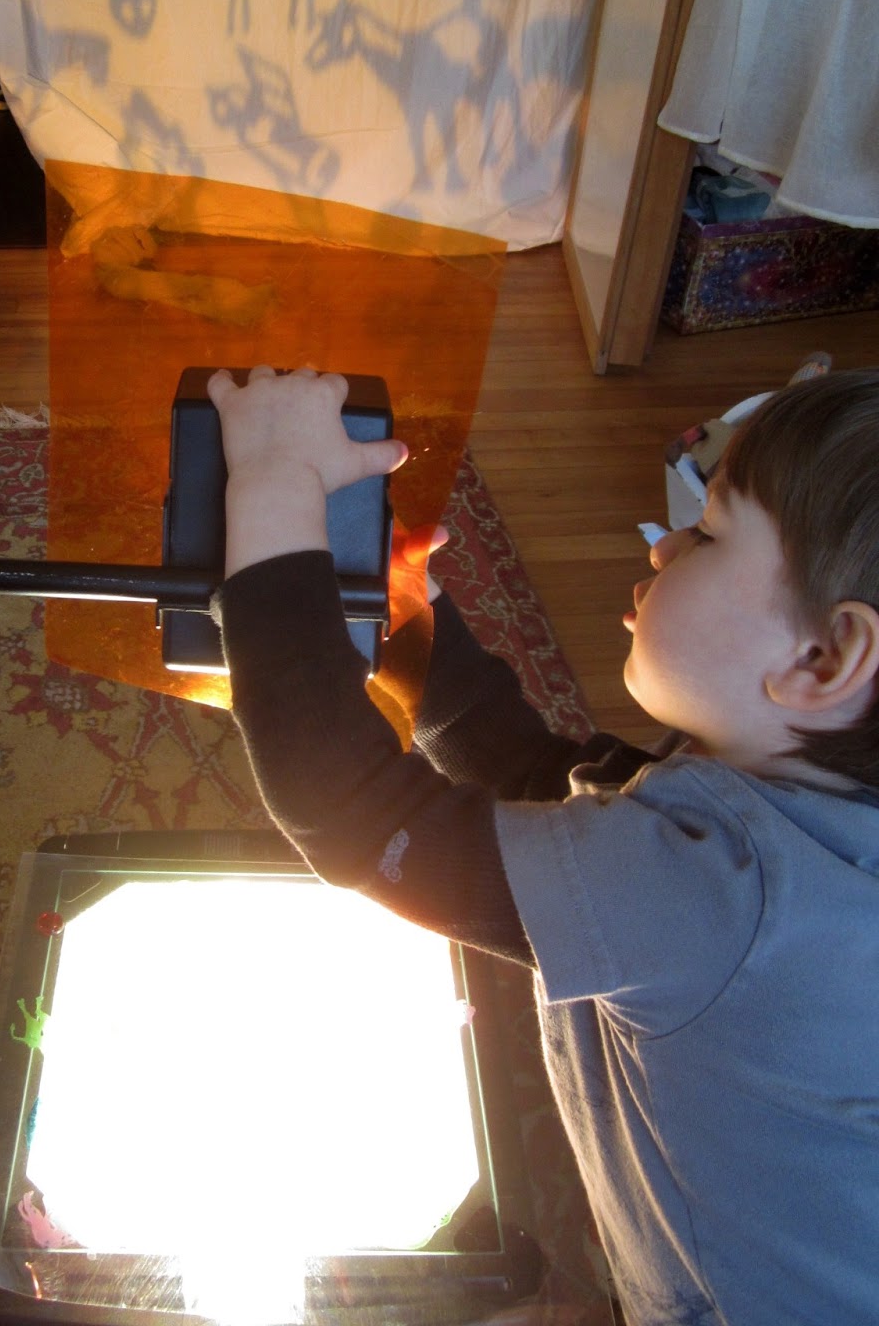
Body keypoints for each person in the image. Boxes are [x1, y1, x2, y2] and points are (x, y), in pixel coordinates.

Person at [208, 363, 879, 1326]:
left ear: (821, 659)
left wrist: (271, 492)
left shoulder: (730, 900)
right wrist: (414, 628)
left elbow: (353, 809)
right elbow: (539, 775)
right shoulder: (808, 826)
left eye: (711, 535)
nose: (664, 548)